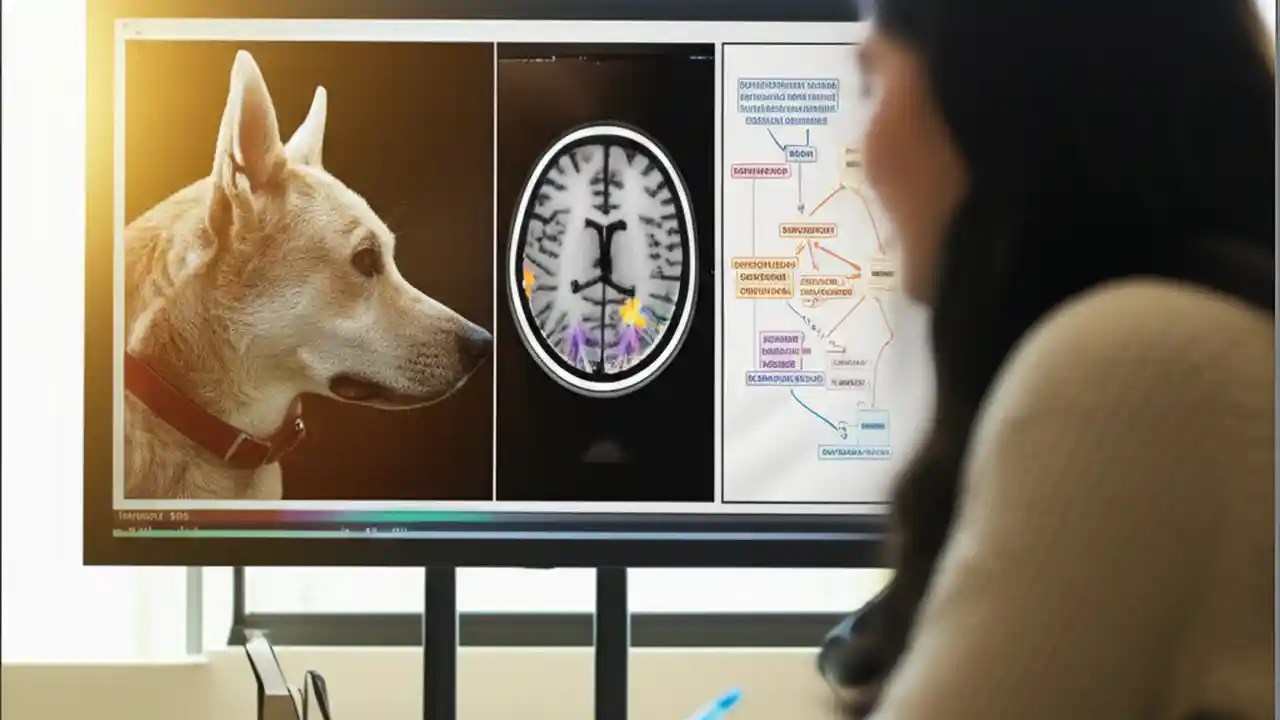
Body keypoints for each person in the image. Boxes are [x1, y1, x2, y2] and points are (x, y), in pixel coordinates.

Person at [819, 0, 1276, 718]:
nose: (866, 156)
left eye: (875, 86)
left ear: (988, 94)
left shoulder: (1139, 371)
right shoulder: (1205, 342)